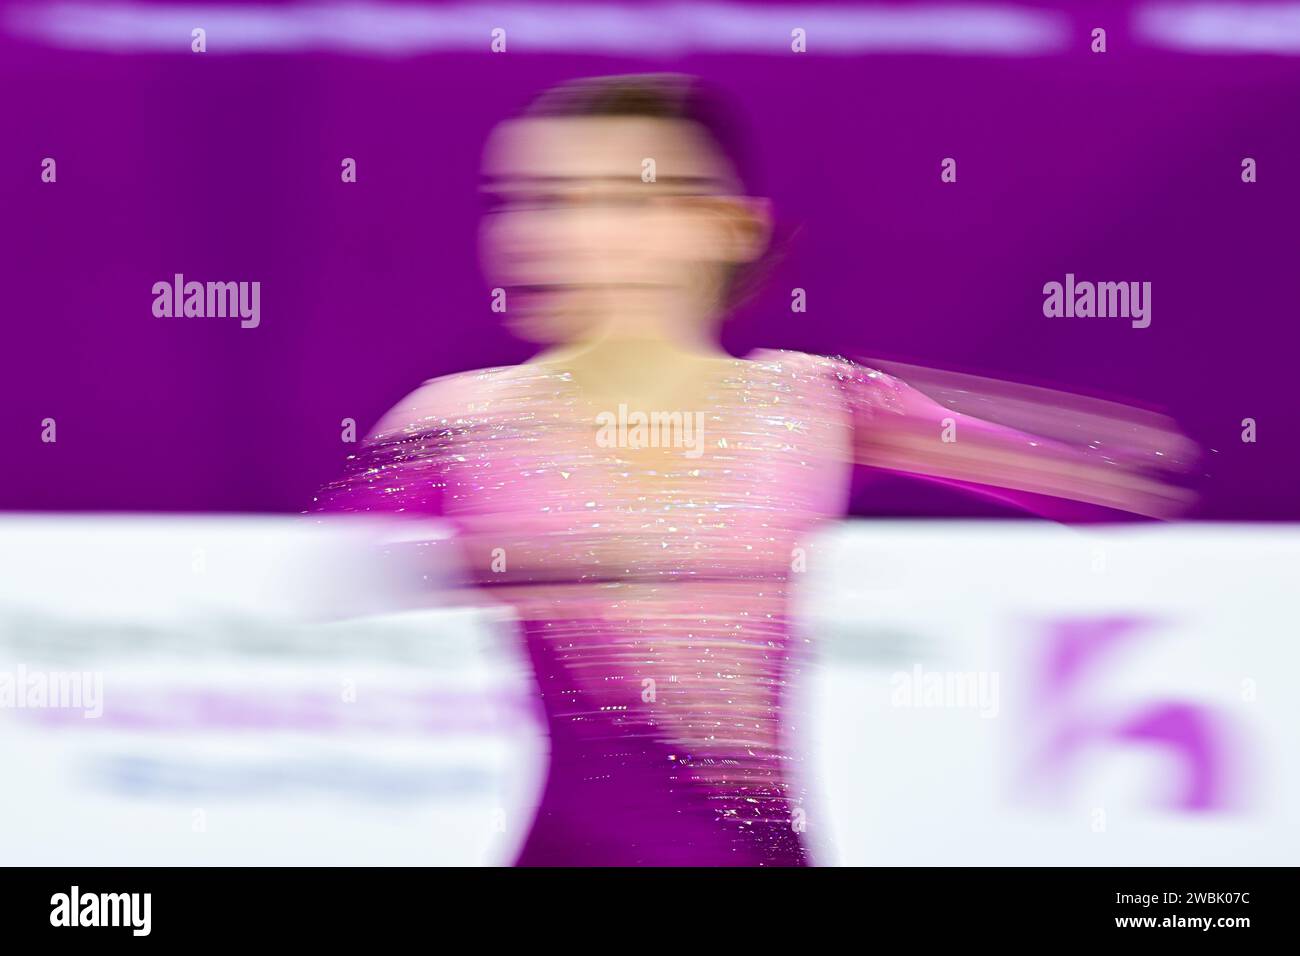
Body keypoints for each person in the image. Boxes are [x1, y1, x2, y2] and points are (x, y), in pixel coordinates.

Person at [313, 74, 1194, 866]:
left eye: (606, 199)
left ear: (724, 227)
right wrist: (487, 567)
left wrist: (1122, 466)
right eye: (528, 200)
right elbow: (320, 579)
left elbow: (1105, 483)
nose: (548, 231)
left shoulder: (812, 403)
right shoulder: (461, 422)